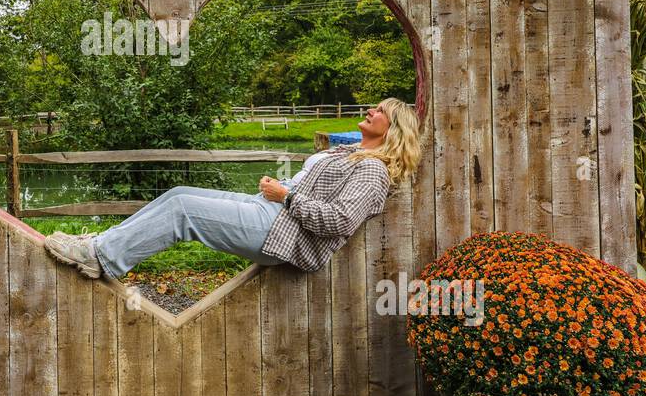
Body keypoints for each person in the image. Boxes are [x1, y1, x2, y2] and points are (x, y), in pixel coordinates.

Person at [43, 98, 422, 280]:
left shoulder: (373, 172)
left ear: (393, 128)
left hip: (280, 230)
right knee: (178, 195)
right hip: (271, 212)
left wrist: (286, 195)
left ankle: (102, 257)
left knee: (182, 212)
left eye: (380, 110)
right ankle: (105, 242)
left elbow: (340, 221)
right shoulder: (353, 152)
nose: (371, 109)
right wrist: (281, 191)